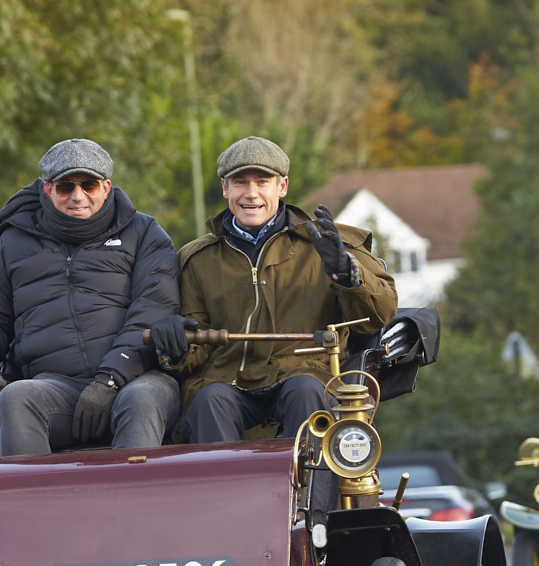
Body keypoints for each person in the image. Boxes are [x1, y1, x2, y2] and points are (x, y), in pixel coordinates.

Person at [153, 137, 395, 443]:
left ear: (282, 187)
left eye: (262, 182)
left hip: (304, 374)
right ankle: (222, 491)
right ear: (225, 189)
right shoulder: (196, 258)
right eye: (240, 182)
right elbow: (196, 346)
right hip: (227, 379)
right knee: (208, 400)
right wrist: (173, 349)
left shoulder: (328, 245)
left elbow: (380, 315)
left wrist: (346, 274)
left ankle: (307, 490)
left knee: (306, 391)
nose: (251, 194)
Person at [0, 139, 180, 456]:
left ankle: (131, 503)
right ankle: (32, 505)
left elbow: (154, 312)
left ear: (107, 186)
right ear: (47, 189)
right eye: (65, 187)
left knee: (140, 399)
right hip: (55, 387)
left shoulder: (145, 234)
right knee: (16, 397)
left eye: (89, 184)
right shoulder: (10, 244)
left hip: (138, 381)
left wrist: (109, 380)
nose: (78, 196)